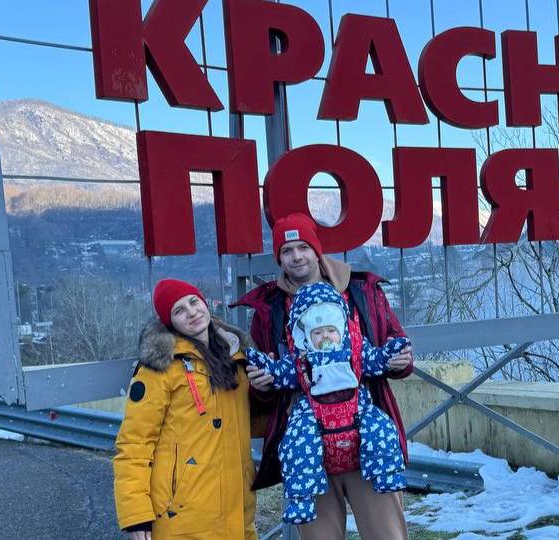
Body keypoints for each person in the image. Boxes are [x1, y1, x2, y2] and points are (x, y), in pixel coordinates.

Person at [232, 212, 413, 540]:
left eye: (303, 247)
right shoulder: (269, 309)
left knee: (386, 534)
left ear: (317, 250)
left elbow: (394, 347)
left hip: (365, 439)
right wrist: (262, 385)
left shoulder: (361, 292)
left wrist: (399, 360)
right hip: (307, 445)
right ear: (279, 259)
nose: (296, 256)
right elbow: (264, 380)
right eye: (287, 251)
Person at [244, 281, 409, 524]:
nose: (325, 337)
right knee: (297, 443)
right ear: (306, 336)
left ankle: (386, 473)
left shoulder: (355, 349)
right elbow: (280, 374)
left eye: (331, 330)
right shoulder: (300, 359)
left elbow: (376, 360)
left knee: (381, 427)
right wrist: (265, 369)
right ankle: (301, 498)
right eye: (317, 333)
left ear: (340, 328)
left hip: (356, 406)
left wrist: (391, 354)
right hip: (313, 411)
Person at [114, 279, 257, 539]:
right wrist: (136, 515)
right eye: (179, 310)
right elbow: (135, 443)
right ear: (170, 323)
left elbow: (253, 423)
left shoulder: (238, 358)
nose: (191, 312)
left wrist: (266, 391)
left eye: (193, 302)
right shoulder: (159, 368)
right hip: (182, 513)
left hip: (237, 505)